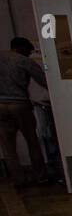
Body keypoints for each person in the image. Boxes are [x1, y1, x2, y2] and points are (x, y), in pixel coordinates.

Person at [0, 36, 49, 183]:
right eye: (28, 51)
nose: (29, 54)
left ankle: (19, 179)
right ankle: (40, 176)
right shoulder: (24, 61)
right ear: (22, 48)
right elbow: (44, 81)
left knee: (8, 146)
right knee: (32, 141)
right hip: (20, 104)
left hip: (0, 106)